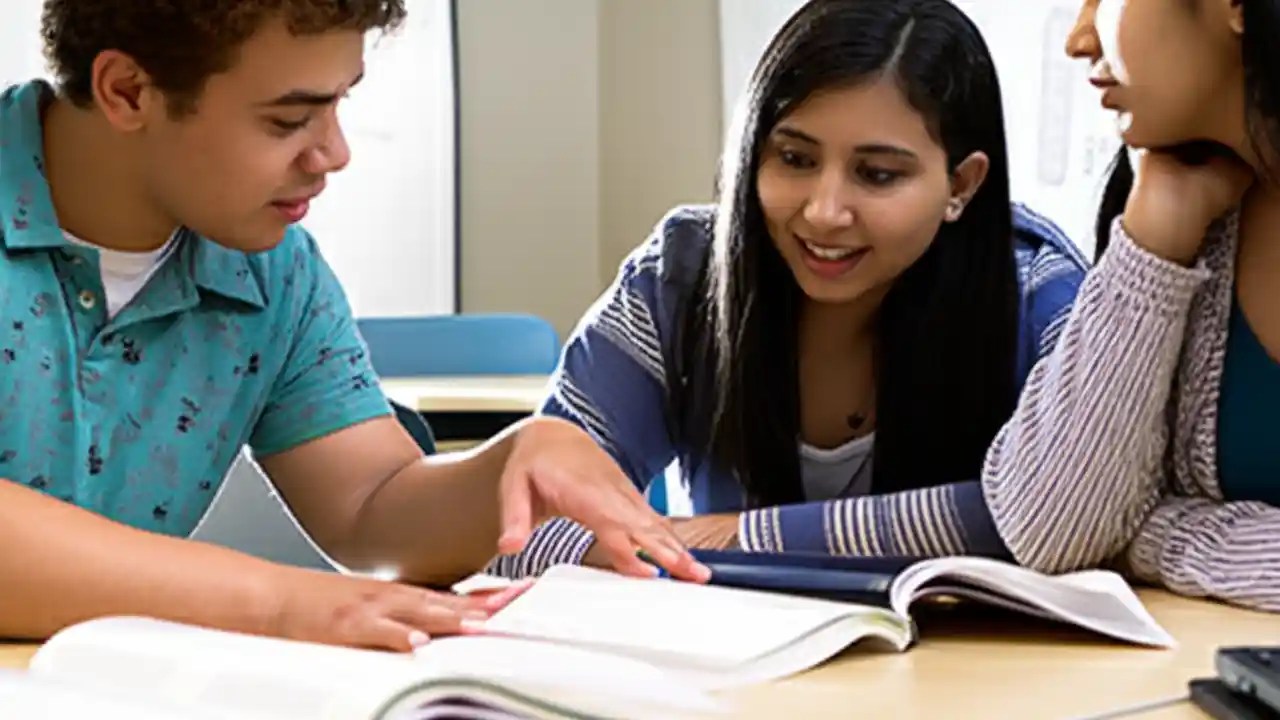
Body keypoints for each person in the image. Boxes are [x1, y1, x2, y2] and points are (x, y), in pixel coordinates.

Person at [0, 0, 707, 652]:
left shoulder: (272, 271)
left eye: (339, 105)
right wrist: (282, 603)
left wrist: (508, 465)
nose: (335, 153)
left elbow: (371, 508)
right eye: (287, 120)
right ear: (128, 91)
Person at [487, 0, 1088, 579]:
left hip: (983, 676)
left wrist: (733, 536)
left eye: (878, 175)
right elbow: (522, 521)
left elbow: (1065, 510)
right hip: (744, 671)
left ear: (961, 184)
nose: (824, 212)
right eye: (795, 159)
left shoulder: (1040, 294)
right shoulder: (678, 277)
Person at [982, 0, 1279, 611]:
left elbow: (1107, 538)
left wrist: (1151, 537)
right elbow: (1052, 526)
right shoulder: (1200, 212)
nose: (1078, 37)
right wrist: (1155, 237)